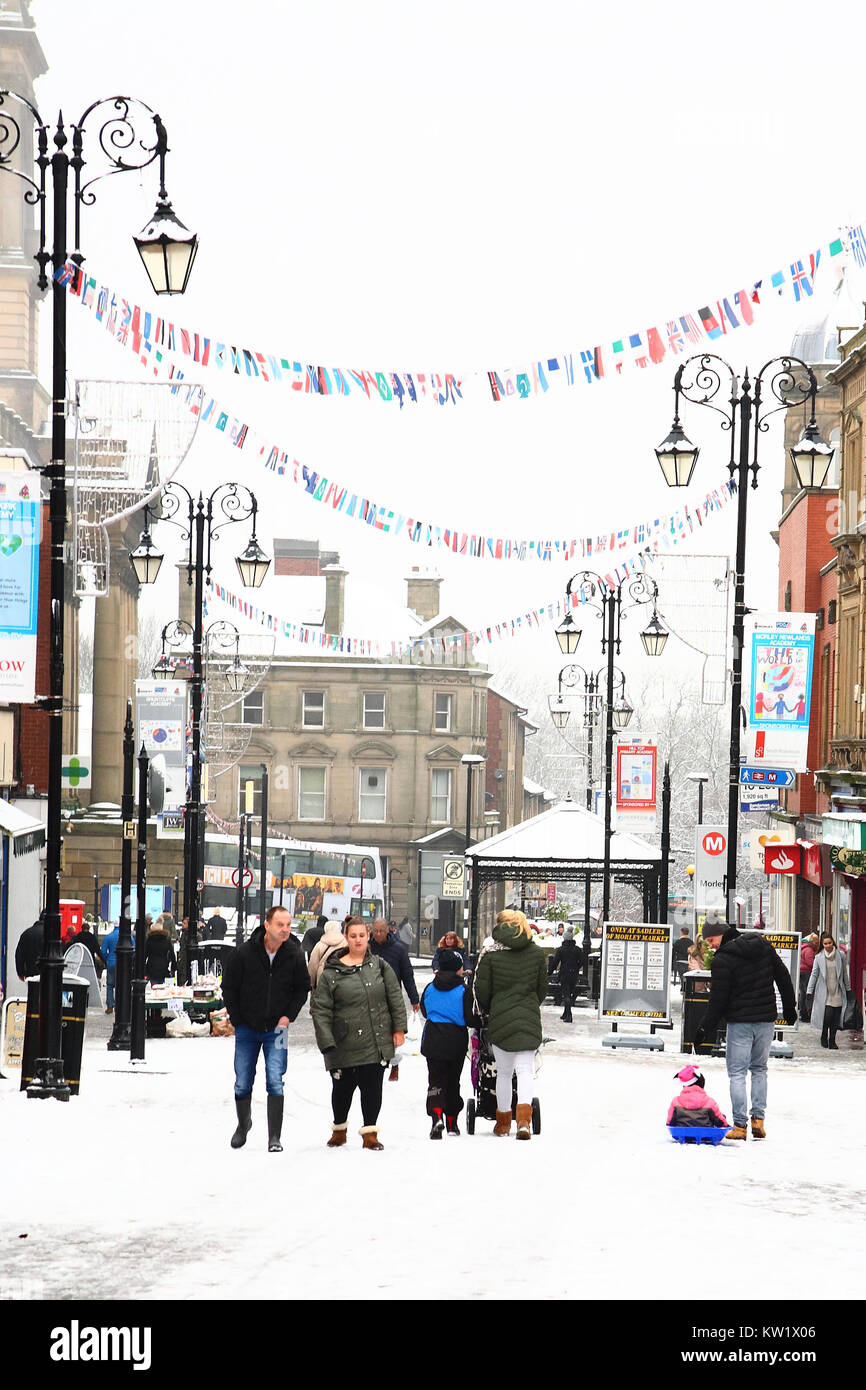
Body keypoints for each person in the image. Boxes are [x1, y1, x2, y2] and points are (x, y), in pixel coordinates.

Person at [693, 921, 796, 1141]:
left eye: (712, 940)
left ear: (722, 935)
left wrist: (704, 1028)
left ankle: (740, 1125)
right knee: (759, 1069)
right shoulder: (762, 945)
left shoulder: (723, 959)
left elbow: (718, 1000)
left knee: (737, 1073)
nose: (711, 946)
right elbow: (783, 976)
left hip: (740, 1022)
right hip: (766, 1020)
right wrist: (789, 1007)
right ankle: (758, 1120)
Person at [311, 918, 407, 1151]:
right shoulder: (332, 972)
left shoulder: (380, 966)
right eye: (353, 936)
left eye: (362, 935)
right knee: (342, 1089)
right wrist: (326, 1040)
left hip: (376, 1038)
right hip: (343, 1041)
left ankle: (370, 1133)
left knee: (372, 1087)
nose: (358, 940)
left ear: (368, 936)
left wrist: (398, 1029)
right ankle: (339, 1130)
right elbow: (321, 1008)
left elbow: (394, 996)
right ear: (346, 937)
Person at [221, 905, 311, 1153]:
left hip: (278, 1029)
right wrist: (237, 1019)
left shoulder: (293, 954)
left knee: (275, 1079)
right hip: (247, 1028)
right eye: (280, 925)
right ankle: (243, 1124)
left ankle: (274, 1137)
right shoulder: (244, 954)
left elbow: (302, 988)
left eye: (288, 925)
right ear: (267, 925)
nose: (285, 930)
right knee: (242, 1081)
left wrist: (288, 1016)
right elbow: (228, 987)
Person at [473, 908, 548, 1140]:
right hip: (527, 1017)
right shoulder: (536, 953)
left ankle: (503, 1123)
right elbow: (542, 990)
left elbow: (481, 991)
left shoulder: (491, 954)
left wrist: (490, 1009)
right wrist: (529, 1002)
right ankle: (523, 1123)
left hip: (500, 1019)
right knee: (525, 1072)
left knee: (503, 1073)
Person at [420, 947, 475, 1137]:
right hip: (455, 1041)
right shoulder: (463, 990)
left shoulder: (430, 987)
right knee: (453, 1081)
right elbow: (469, 1018)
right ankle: (452, 1122)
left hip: (433, 1040)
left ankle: (436, 1116)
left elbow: (425, 1011)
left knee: (435, 1080)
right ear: (457, 969)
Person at [369, 917, 420, 1080]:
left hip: (391, 997)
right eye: (375, 931)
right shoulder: (367, 948)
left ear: (388, 931)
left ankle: (395, 1063)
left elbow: (407, 975)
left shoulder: (398, 949)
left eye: (381, 931)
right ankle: (375, 1062)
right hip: (369, 996)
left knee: (392, 1032)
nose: (378, 934)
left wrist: (414, 998)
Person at [806, 932, 851, 1050]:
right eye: (825, 943)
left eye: (830, 943)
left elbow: (844, 974)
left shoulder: (840, 955)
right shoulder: (819, 957)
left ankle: (832, 1040)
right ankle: (823, 1036)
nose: (828, 945)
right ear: (822, 944)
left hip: (837, 991)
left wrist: (848, 989)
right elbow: (814, 975)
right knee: (827, 1016)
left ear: (833, 942)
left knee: (836, 1018)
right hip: (825, 992)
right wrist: (809, 991)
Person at [666, 1064, 728, 1130]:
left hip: (682, 1132)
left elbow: (670, 1122)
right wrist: (725, 1124)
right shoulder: (709, 1102)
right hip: (706, 1134)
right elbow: (719, 1120)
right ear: (701, 1084)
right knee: (722, 1116)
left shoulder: (676, 1101)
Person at [99, 920, 135, 1014]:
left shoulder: (108, 937)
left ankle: (110, 1006)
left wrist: (107, 960)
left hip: (111, 963)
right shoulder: (129, 937)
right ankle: (122, 1006)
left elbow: (103, 951)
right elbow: (133, 950)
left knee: (110, 985)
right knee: (123, 985)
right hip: (123, 964)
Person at [307, 917, 351, 988]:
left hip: (322, 980)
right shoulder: (346, 944)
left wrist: (311, 984)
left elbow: (313, 966)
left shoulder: (320, 945)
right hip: (342, 981)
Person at [551, 926, 583, 1022]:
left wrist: (550, 971)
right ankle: (566, 1013)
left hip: (564, 974)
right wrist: (576, 967)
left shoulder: (561, 949)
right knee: (569, 993)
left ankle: (569, 1015)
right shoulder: (577, 949)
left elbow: (555, 962)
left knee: (566, 995)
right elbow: (582, 961)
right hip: (574, 975)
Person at [14, 914, 45, 982]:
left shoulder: (26, 933)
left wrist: (21, 972)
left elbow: (19, 955)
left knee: (32, 991)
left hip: (30, 972)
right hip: (47, 973)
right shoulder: (51, 934)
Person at [799, 932, 818, 1022]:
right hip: (806, 973)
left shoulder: (803, 948)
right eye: (816, 942)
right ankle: (806, 1013)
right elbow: (810, 963)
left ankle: (803, 1013)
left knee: (803, 994)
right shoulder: (809, 950)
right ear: (812, 942)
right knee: (807, 994)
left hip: (801, 972)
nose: (817, 944)